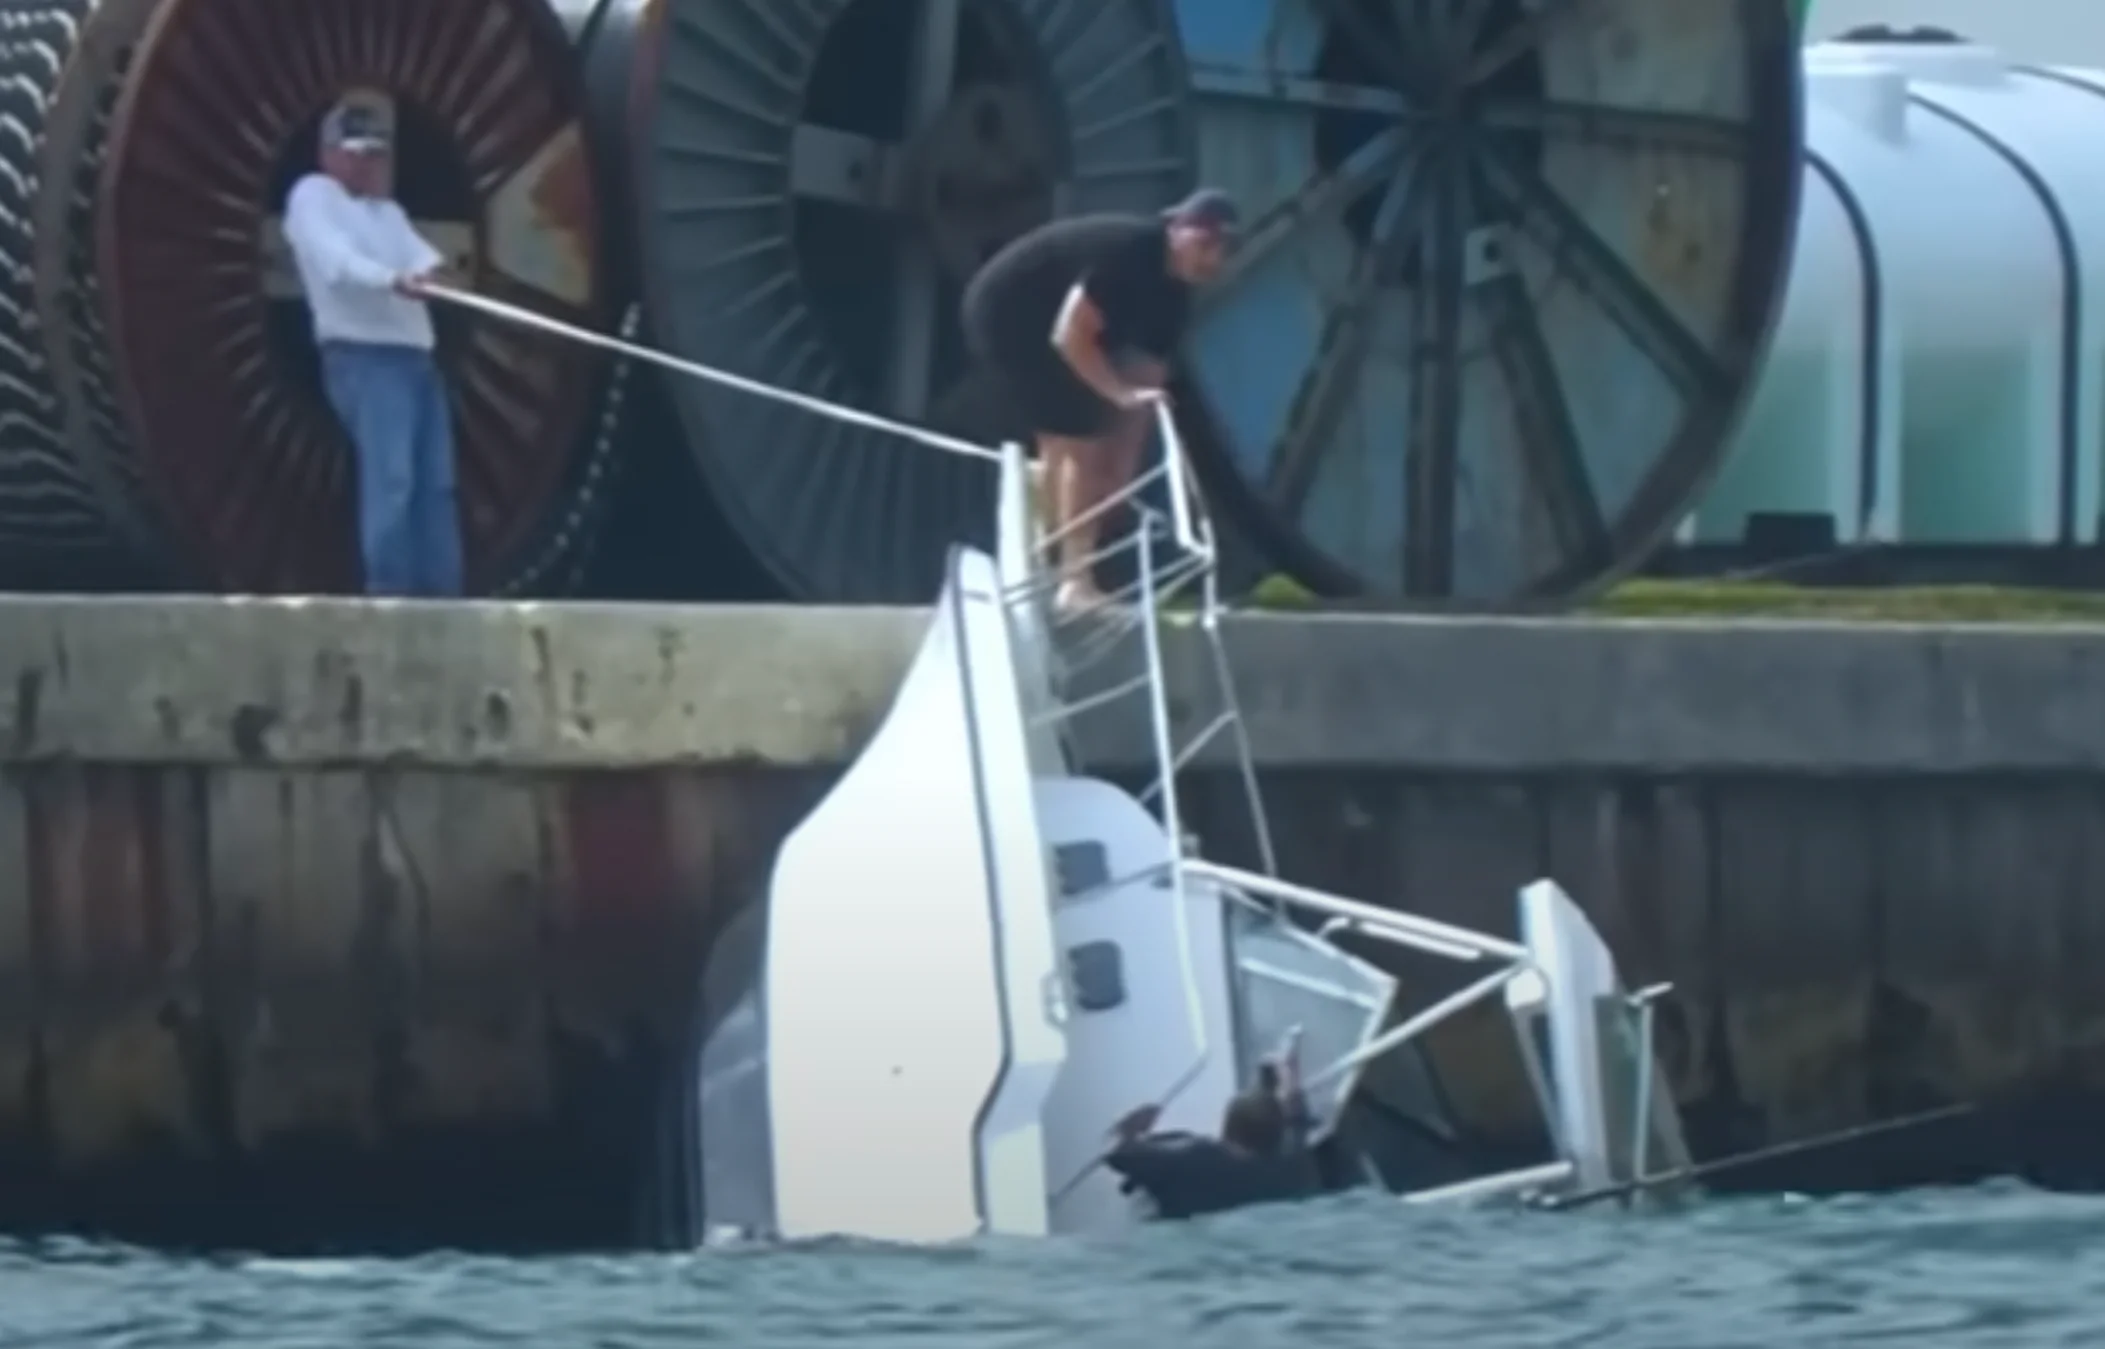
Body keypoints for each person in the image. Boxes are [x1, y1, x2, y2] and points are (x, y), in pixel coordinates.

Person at [961, 189, 1239, 609]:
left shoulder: (1175, 295)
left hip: (1056, 329)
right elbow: (1069, 335)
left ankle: (1043, 560)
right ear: (1176, 232)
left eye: (1222, 252)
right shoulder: (1132, 251)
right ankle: (1075, 581)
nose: (1211, 262)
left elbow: (1148, 385)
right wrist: (1117, 395)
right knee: (1080, 440)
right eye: (1204, 246)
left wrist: (1120, 476)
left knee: (1082, 452)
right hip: (1011, 312)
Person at [282, 93, 461, 597]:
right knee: (394, 479)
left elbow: (426, 261)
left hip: (417, 361)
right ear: (329, 153)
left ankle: (444, 598)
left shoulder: (387, 214)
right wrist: (392, 280)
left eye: (375, 153)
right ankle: (391, 597)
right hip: (366, 359)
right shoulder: (313, 197)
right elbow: (336, 263)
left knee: (437, 485)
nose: (367, 163)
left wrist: (432, 277)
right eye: (357, 152)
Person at [1103, 1027, 1320, 1221]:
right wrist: (1288, 1071)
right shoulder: (1290, 1169)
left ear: (1229, 1125)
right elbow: (1296, 1120)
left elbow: (1117, 1154)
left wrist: (1130, 1126)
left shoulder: (1199, 1157)